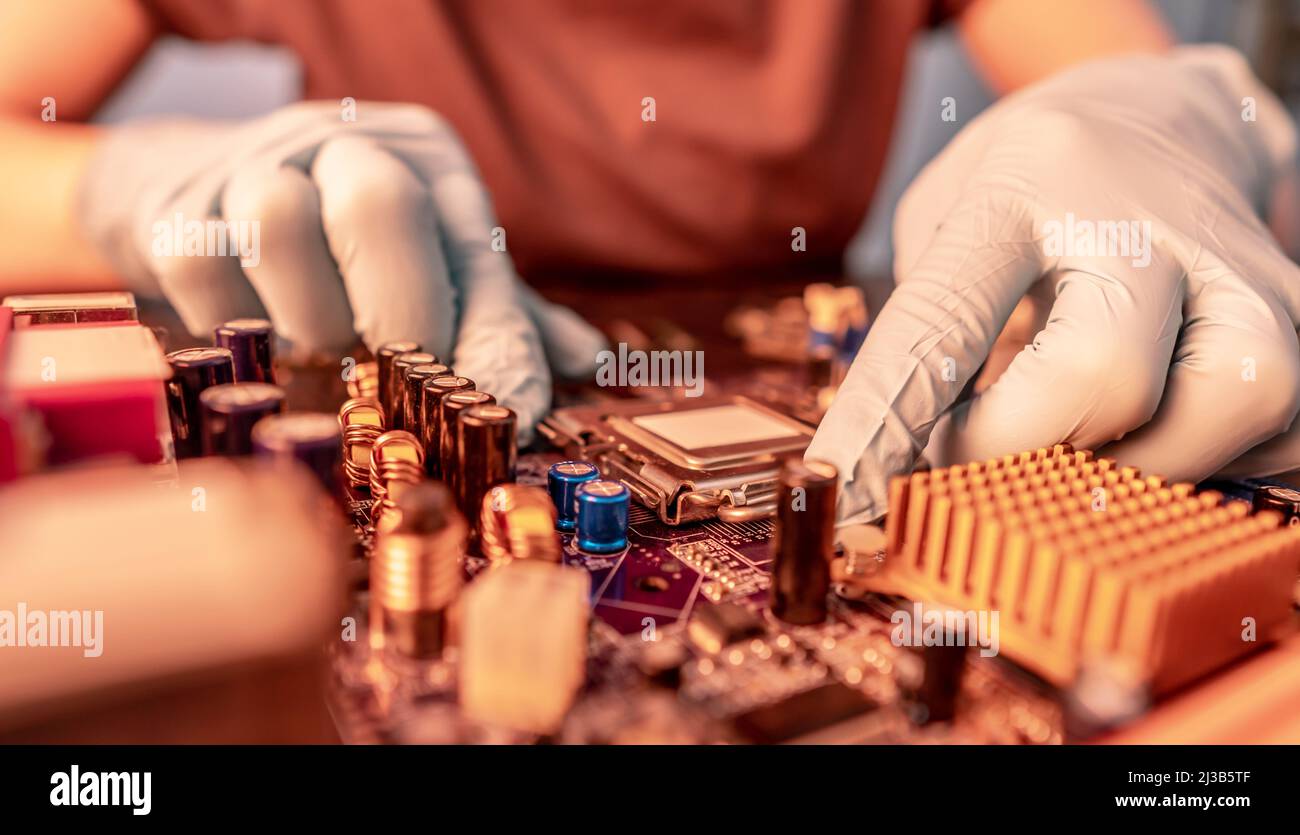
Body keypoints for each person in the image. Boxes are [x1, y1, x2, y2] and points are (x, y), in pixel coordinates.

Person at [2, 0, 1298, 525]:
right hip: (385, 358)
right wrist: (125, 187)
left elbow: (1186, 115)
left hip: (802, 362)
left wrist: (1180, 124)